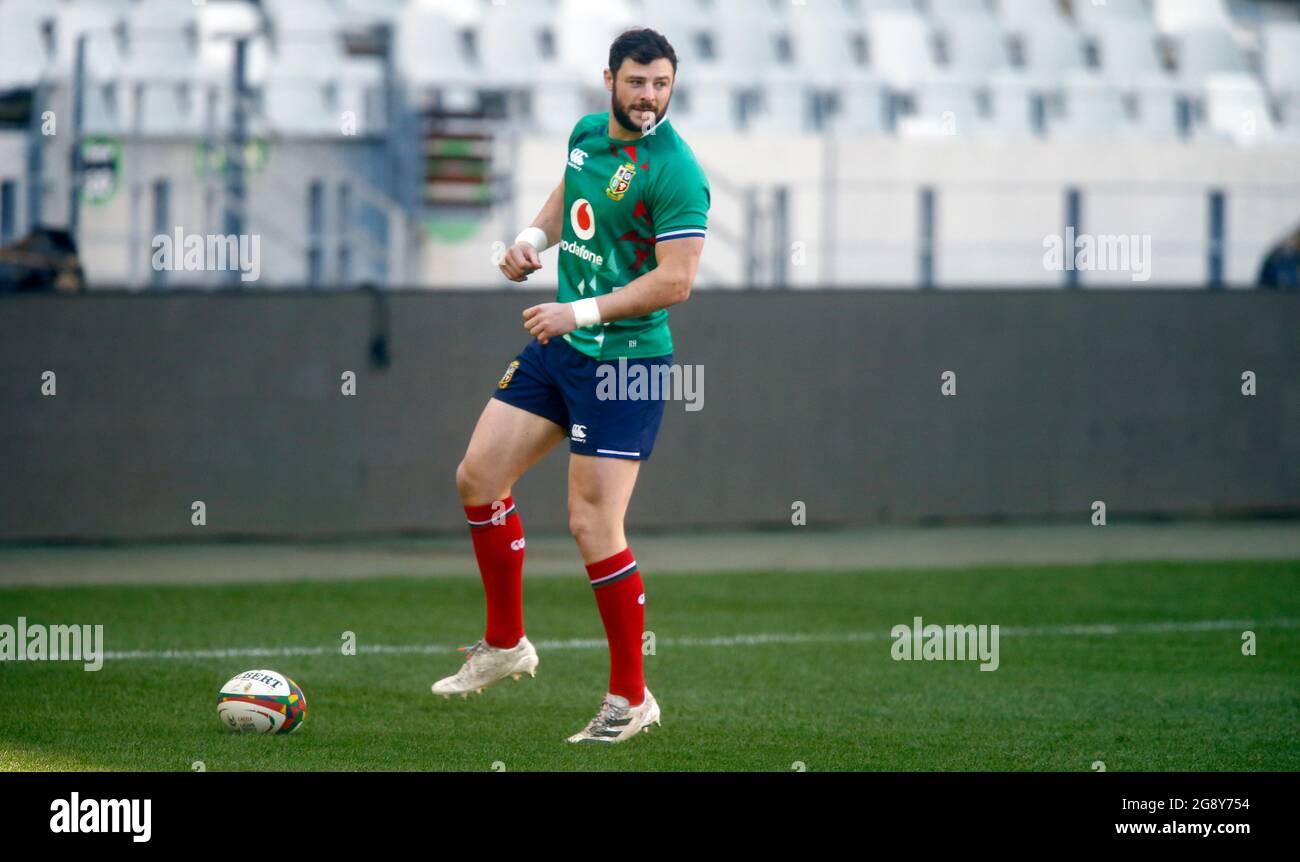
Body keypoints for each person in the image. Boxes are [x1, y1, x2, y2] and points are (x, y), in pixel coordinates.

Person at [432, 27, 710, 744]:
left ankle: (630, 699)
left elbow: (676, 281)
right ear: (610, 79)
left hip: (623, 365)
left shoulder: (676, 170)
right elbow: (570, 193)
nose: (649, 96)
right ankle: (505, 645)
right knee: (477, 477)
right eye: (637, 82)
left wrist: (576, 310)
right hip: (562, 350)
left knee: (592, 525)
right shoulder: (588, 133)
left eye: (661, 83)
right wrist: (531, 238)